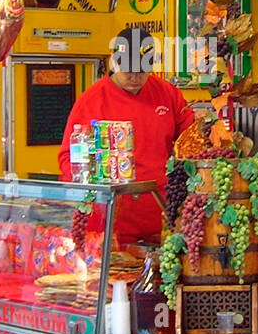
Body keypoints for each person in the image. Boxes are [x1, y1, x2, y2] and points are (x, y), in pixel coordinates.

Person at [59, 27, 196, 243]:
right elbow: (68, 159)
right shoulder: (91, 101)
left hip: (163, 217)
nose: (135, 77)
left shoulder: (168, 94)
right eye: (128, 70)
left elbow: (193, 141)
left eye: (142, 70)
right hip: (110, 224)